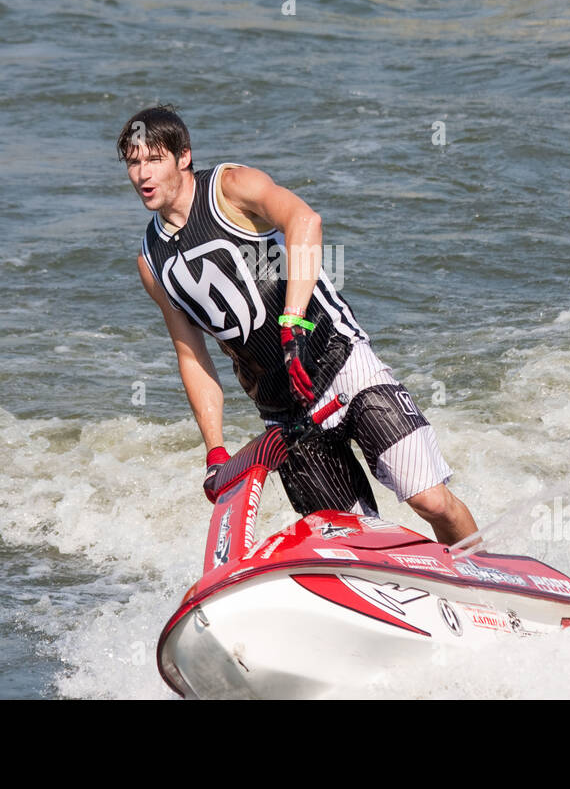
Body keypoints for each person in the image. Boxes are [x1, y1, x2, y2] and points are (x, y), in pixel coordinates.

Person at [121, 105, 478, 545]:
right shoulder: (151, 261)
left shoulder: (230, 187)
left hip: (341, 361)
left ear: (183, 157)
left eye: (153, 159)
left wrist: (292, 324)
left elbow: (305, 221)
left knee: (431, 501)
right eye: (133, 163)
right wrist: (215, 450)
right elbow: (191, 355)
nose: (142, 175)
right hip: (284, 413)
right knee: (352, 542)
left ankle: (486, 578)